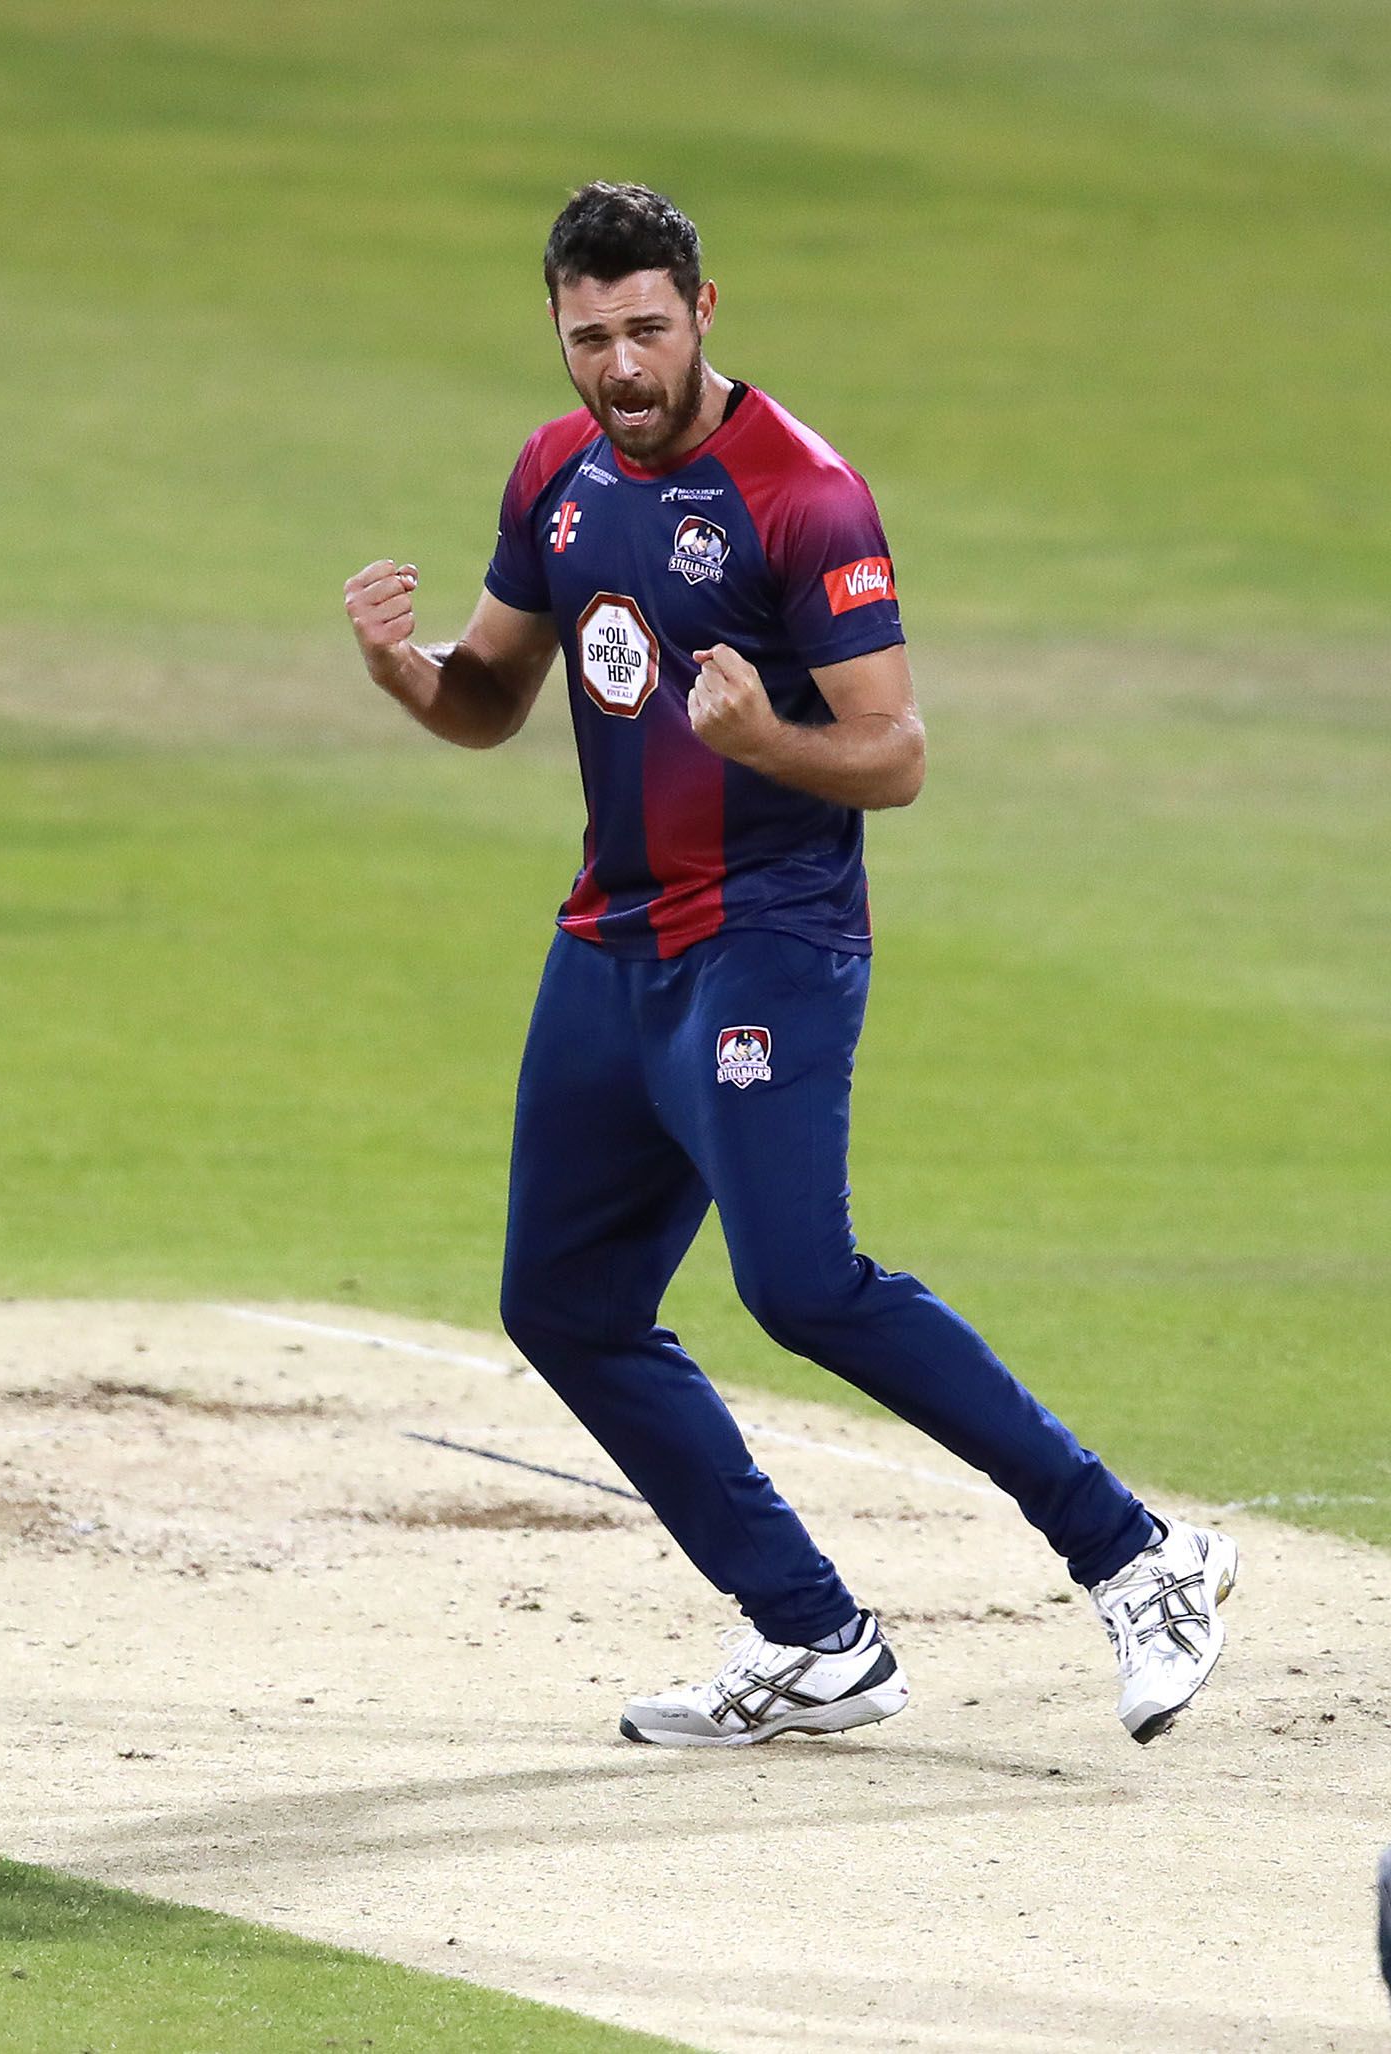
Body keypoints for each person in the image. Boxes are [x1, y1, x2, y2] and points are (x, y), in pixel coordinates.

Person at [343, 181, 1238, 1749]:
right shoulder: (556, 472)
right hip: (610, 941)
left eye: (645, 328)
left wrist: (770, 739)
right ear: (555, 334)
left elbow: (892, 754)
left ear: (704, 310)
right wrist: (404, 672)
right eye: (586, 336)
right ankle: (816, 1637)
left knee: (801, 1282)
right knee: (563, 1298)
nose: (618, 365)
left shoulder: (801, 493)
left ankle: (1139, 1553)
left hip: (770, 939)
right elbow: (491, 699)